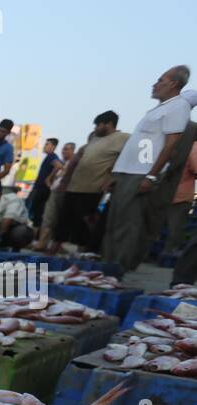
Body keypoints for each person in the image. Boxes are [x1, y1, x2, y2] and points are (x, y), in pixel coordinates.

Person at [104, 66, 194, 272]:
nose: (155, 84)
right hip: (128, 171)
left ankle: (118, 268)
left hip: (141, 174)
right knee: (115, 221)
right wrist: (116, 173)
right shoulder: (159, 109)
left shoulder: (178, 107)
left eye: (161, 80)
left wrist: (152, 176)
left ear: (173, 84)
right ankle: (106, 266)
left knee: (128, 224)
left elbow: (170, 146)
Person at [54, 112, 129, 254]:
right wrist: (65, 182)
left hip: (93, 188)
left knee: (84, 221)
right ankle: (55, 247)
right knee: (63, 220)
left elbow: (125, 159)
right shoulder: (94, 139)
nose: (95, 128)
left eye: (98, 125)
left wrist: (113, 178)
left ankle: (84, 252)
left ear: (109, 124)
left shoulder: (123, 138)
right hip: (74, 186)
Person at [164, 133, 197, 255]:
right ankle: (169, 254)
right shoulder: (194, 147)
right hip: (181, 195)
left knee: (158, 226)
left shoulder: (173, 146)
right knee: (176, 228)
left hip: (165, 192)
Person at [27, 138, 61, 227]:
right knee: (36, 213)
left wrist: (48, 179)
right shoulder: (49, 157)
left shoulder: (52, 156)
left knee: (35, 213)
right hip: (39, 188)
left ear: (53, 146)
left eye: (47, 144)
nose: (44, 146)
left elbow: (59, 166)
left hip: (41, 190)